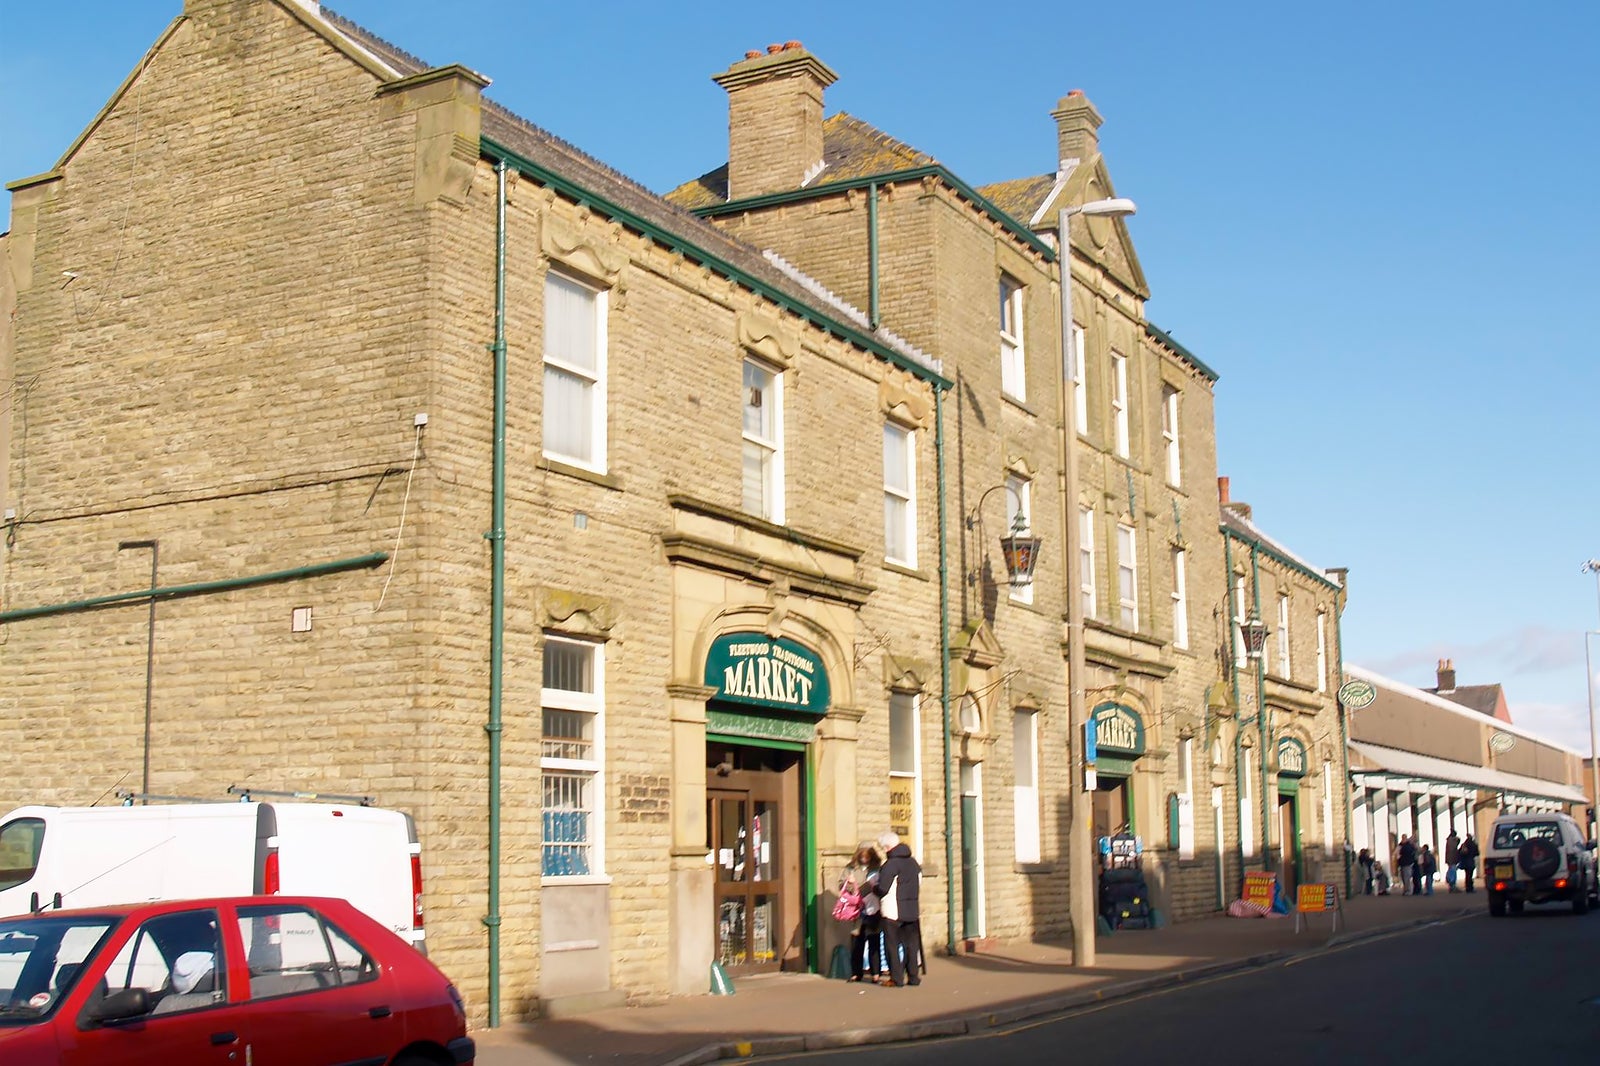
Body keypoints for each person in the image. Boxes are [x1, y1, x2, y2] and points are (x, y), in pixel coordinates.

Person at [872, 830, 922, 987]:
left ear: (887, 847)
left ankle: (897, 978)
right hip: (912, 909)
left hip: (892, 910)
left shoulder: (890, 865)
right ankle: (913, 977)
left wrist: (873, 887)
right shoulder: (913, 863)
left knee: (892, 945)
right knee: (911, 945)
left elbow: (883, 889)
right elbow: (919, 883)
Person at [840, 842, 882, 983]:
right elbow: (842, 885)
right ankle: (856, 973)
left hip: (873, 909)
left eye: (867, 856)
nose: (864, 859)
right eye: (862, 856)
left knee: (874, 942)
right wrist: (850, 884)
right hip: (856, 910)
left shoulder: (877, 868)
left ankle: (876, 973)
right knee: (857, 943)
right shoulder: (850, 868)